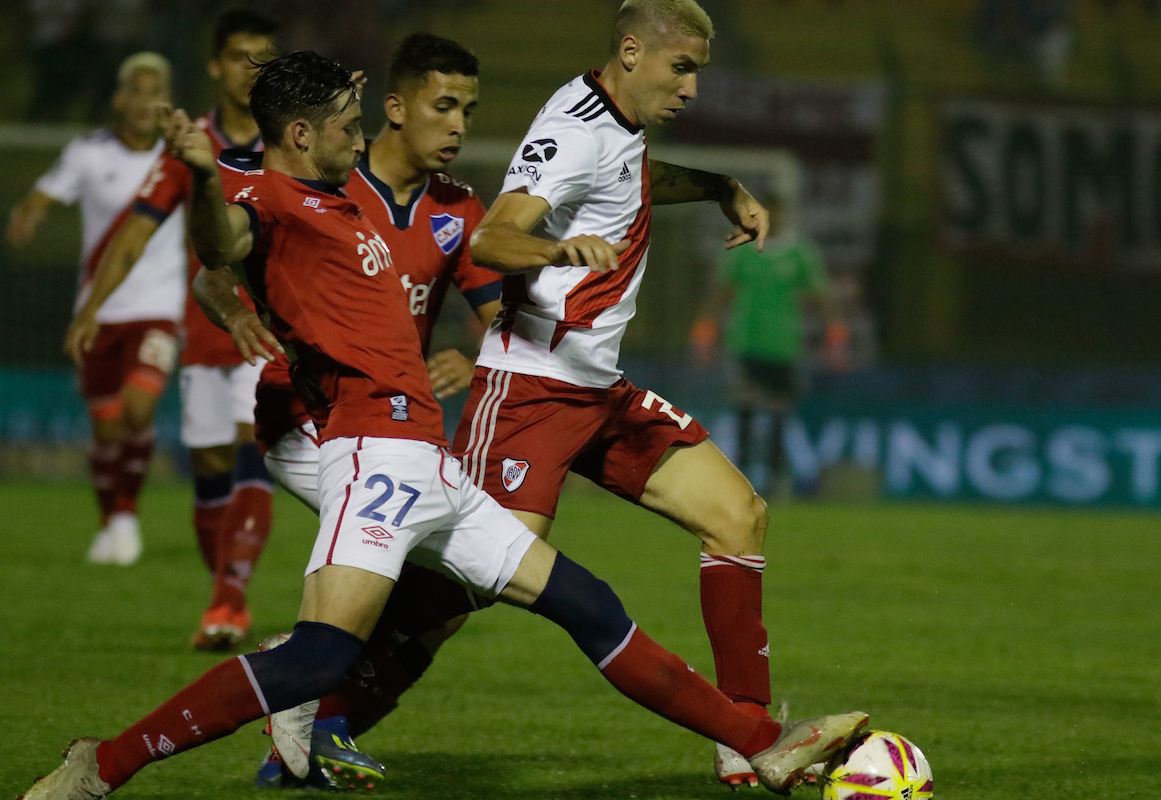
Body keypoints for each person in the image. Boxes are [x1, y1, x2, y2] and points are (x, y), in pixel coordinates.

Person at [20, 49, 866, 800]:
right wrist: (206, 178)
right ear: (304, 134)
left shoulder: (370, 201)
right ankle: (102, 766)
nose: (362, 143)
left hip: (432, 461)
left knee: (586, 600)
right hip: (370, 453)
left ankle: (762, 748)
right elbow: (218, 244)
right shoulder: (262, 197)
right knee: (317, 657)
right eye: (349, 128)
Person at [456, 0, 780, 787]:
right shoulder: (574, 130)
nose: (693, 89)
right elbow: (491, 236)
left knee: (738, 514)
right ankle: (313, 683)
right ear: (632, 52)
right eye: (683, 68)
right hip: (531, 388)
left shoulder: (616, 123)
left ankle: (750, 735)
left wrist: (715, 185)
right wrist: (555, 245)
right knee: (468, 581)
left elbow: (627, 182)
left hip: (596, 391)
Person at [191, 32, 503, 788]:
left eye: (468, 108)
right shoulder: (321, 181)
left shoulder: (459, 211)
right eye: (444, 105)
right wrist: (234, 313)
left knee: (450, 599)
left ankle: (312, 726)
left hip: (391, 423)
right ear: (394, 109)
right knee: (395, 579)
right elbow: (215, 262)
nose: (459, 125)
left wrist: (478, 356)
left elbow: (499, 321)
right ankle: (307, 704)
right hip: (308, 420)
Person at [84, 8, 281, 649]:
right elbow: (137, 230)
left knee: (255, 445)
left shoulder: (293, 139)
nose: (252, 71)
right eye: (240, 58)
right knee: (210, 466)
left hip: (273, 327)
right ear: (216, 65)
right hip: (206, 325)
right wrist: (91, 306)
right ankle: (228, 590)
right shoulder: (190, 145)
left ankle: (228, 601)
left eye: (263, 58)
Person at [6, 51, 183, 565]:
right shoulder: (89, 152)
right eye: (139, 89)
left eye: (158, 90)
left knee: (138, 408)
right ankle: (113, 520)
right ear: (120, 97)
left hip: (159, 305)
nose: (147, 100)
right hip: (100, 308)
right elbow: (47, 191)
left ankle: (126, 518)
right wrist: (29, 213)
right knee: (106, 426)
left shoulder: (182, 155)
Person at [691, 198, 850, 496]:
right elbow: (720, 293)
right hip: (746, 343)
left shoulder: (800, 253)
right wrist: (704, 334)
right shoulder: (742, 250)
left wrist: (836, 337)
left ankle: (775, 481)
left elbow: (820, 298)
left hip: (784, 346)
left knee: (779, 413)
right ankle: (742, 479)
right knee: (745, 409)